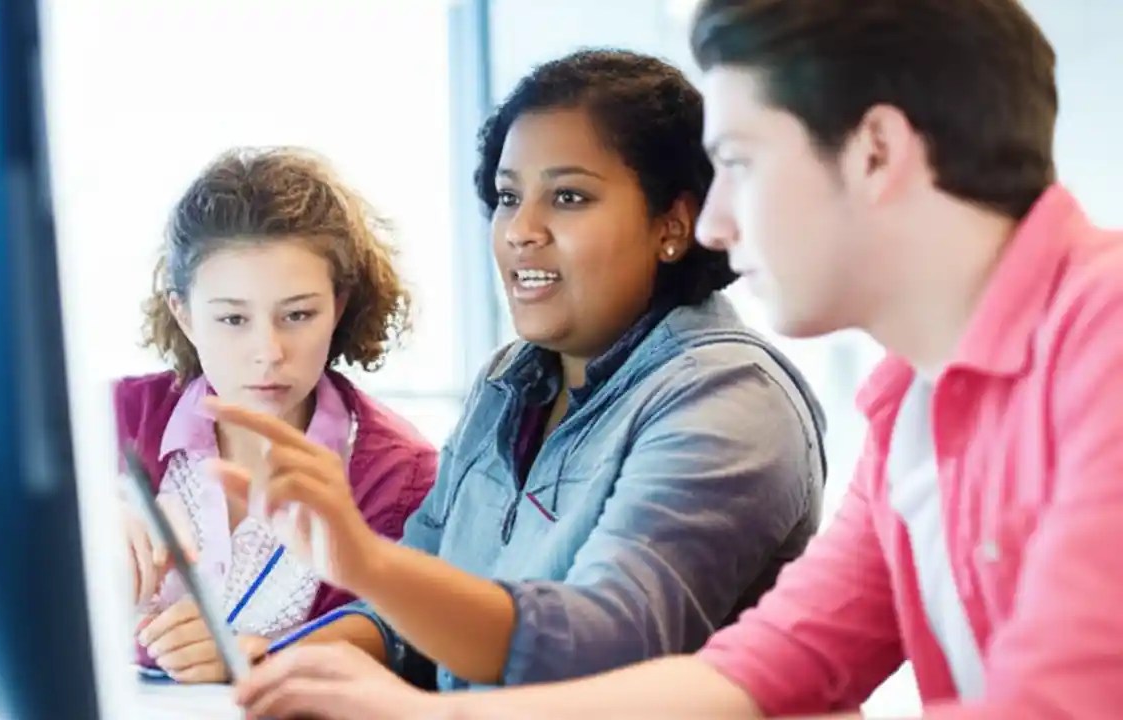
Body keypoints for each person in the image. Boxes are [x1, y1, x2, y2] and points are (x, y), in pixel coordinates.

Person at [222, 0, 1123, 718]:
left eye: (738, 161)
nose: (720, 223)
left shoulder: (1106, 338)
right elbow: (763, 670)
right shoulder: (912, 406)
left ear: (876, 152)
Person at [209, 47, 827, 704]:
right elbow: (417, 601)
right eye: (507, 197)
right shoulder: (510, 381)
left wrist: (367, 561)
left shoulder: (730, 397)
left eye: (569, 196)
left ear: (672, 224)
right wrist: (281, 662)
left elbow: (606, 644)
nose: (521, 231)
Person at [112, 147, 437, 683]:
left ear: (339, 305)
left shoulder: (401, 476)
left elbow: (401, 641)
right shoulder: (108, 423)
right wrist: (75, 524)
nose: (268, 350)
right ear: (185, 315)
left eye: (298, 314)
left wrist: (259, 657)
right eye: (233, 318)